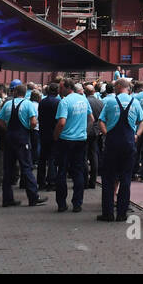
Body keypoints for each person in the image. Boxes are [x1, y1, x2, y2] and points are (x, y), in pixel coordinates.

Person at [98, 79, 143, 222]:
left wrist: (106, 133)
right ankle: (122, 213)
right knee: (125, 178)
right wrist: (137, 135)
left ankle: (108, 213)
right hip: (129, 143)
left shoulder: (110, 101)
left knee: (108, 178)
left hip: (112, 143)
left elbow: (101, 121)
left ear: (118, 87)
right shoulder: (135, 102)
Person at [0, 84, 45, 207]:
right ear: (25, 93)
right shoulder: (28, 104)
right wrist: (30, 128)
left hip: (9, 137)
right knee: (26, 167)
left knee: (8, 169)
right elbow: (34, 122)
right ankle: (33, 197)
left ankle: (7, 199)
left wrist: (7, 128)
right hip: (22, 137)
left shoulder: (8, 104)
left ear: (14, 92)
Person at [53, 83, 93, 213]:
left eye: (61, 88)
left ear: (67, 88)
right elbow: (91, 118)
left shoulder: (64, 102)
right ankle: (77, 203)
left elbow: (62, 122)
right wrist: (83, 130)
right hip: (80, 140)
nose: (59, 90)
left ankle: (61, 204)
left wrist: (55, 136)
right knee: (78, 172)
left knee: (62, 171)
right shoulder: (83, 99)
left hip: (65, 140)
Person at [36, 82, 61, 190]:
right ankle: (52, 181)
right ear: (57, 91)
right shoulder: (58, 102)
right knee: (52, 158)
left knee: (42, 158)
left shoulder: (42, 102)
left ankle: (41, 182)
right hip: (54, 132)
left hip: (43, 132)